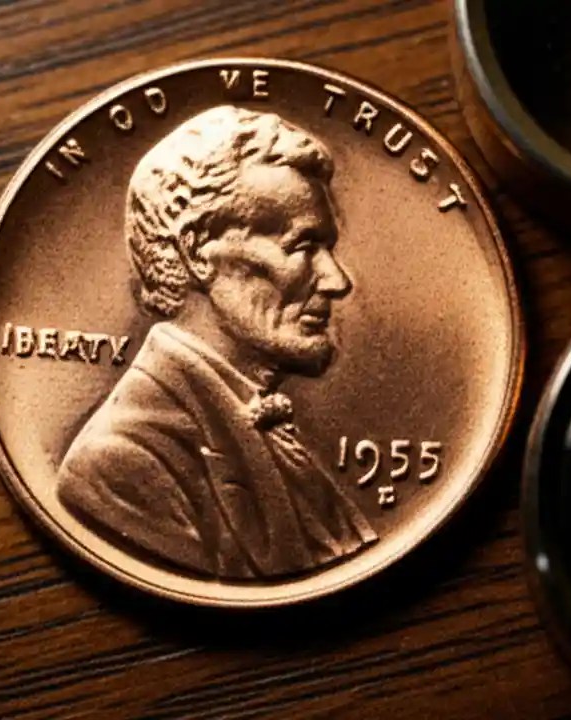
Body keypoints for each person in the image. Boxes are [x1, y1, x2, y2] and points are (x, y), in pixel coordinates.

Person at [57, 106, 377, 579]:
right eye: (303, 246)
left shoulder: (259, 423)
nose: (337, 280)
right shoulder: (119, 462)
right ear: (196, 251)